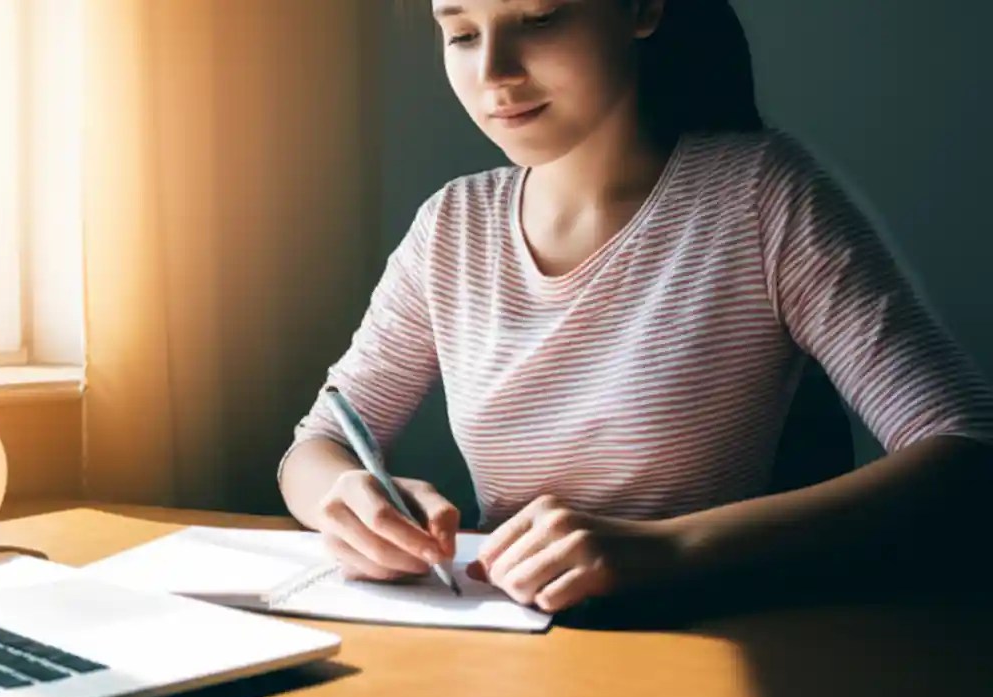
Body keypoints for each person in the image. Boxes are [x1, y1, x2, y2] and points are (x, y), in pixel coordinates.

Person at [277, 0, 993, 615]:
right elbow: (317, 443)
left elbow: (967, 454)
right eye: (461, 32)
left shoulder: (760, 199)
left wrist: (666, 548)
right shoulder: (453, 226)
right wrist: (345, 497)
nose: (493, 72)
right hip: (507, 650)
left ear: (644, 7)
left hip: (711, 650)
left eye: (541, 17)